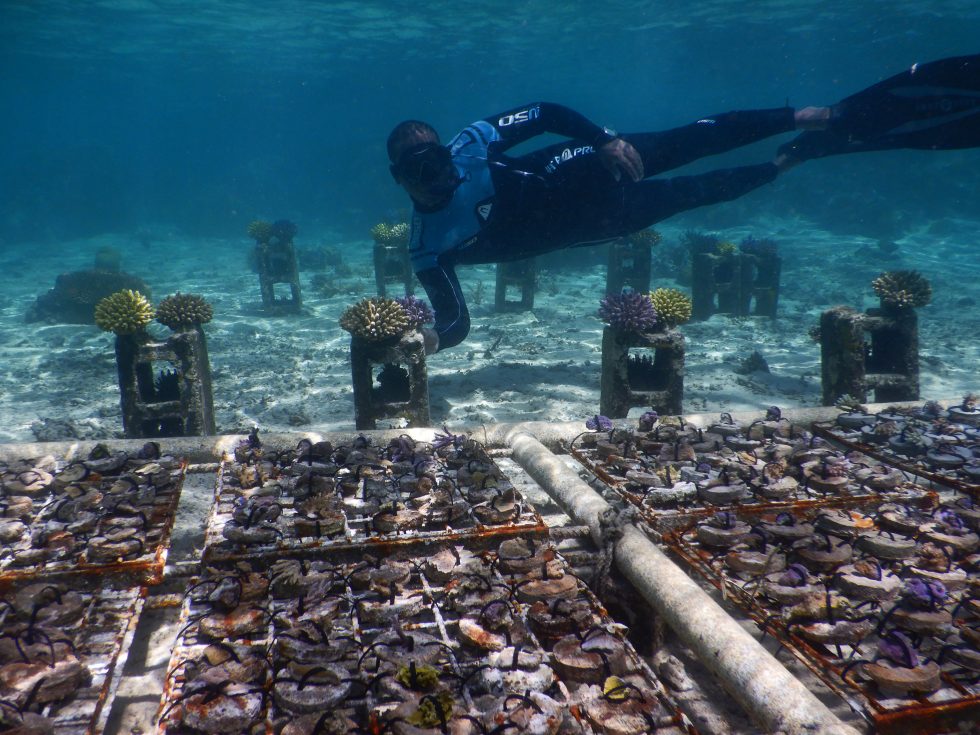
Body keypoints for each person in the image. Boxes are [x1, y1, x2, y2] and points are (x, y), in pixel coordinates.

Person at [387, 54, 980, 354]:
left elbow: (543, 112)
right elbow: (455, 321)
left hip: (587, 165)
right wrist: (427, 343)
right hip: (601, 219)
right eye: (418, 173)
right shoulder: (428, 248)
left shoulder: (471, 142)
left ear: (444, 148)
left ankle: (813, 115)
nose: (435, 177)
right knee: (696, 192)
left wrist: (603, 138)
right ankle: (791, 158)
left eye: (435, 159)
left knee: (685, 140)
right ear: (399, 180)